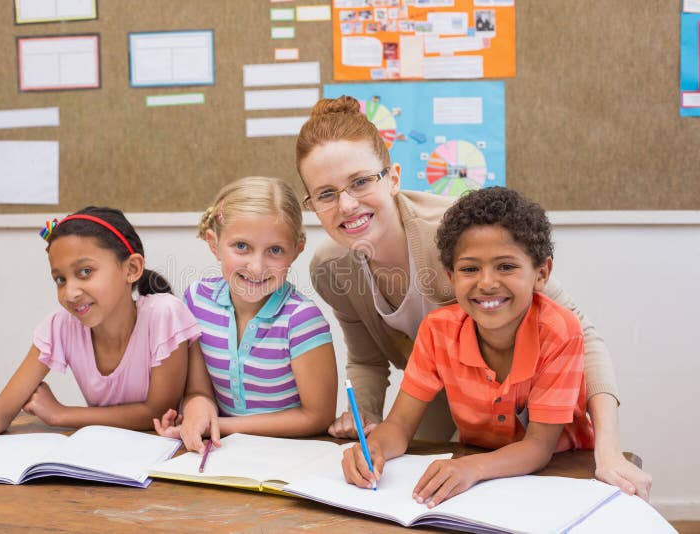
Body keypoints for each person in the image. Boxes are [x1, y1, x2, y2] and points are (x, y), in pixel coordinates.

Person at [295, 95, 651, 499]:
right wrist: (367, 432)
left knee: (481, 470)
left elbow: (582, 336)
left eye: (360, 181)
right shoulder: (331, 268)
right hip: (438, 382)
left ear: (392, 178)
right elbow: (367, 360)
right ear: (311, 203)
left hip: (520, 391)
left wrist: (608, 450)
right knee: (414, 477)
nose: (346, 204)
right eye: (325, 194)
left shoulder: (463, 239)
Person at [342, 187, 593, 505]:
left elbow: (539, 447)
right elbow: (399, 426)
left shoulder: (559, 332)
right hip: (479, 481)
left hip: (560, 477)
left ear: (541, 274)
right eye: (469, 269)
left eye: (505, 266)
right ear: (451, 276)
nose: (486, 282)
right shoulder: (438, 331)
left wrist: (472, 468)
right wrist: (374, 448)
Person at [0, 206, 199, 466]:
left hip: (172, 460)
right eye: (60, 279)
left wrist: (61, 414)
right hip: (110, 463)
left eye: (85, 272)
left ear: (132, 269)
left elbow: (156, 411)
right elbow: (1, 411)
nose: (70, 292)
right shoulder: (61, 325)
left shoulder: (164, 313)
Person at [154, 177, 337, 452]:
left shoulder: (301, 320)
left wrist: (219, 426)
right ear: (214, 244)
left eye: (275, 250)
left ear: (296, 251)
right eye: (241, 246)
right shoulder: (196, 301)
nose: (256, 266)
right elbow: (199, 390)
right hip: (221, 453)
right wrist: (195, 414)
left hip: (289, 454)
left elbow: (317, 417)